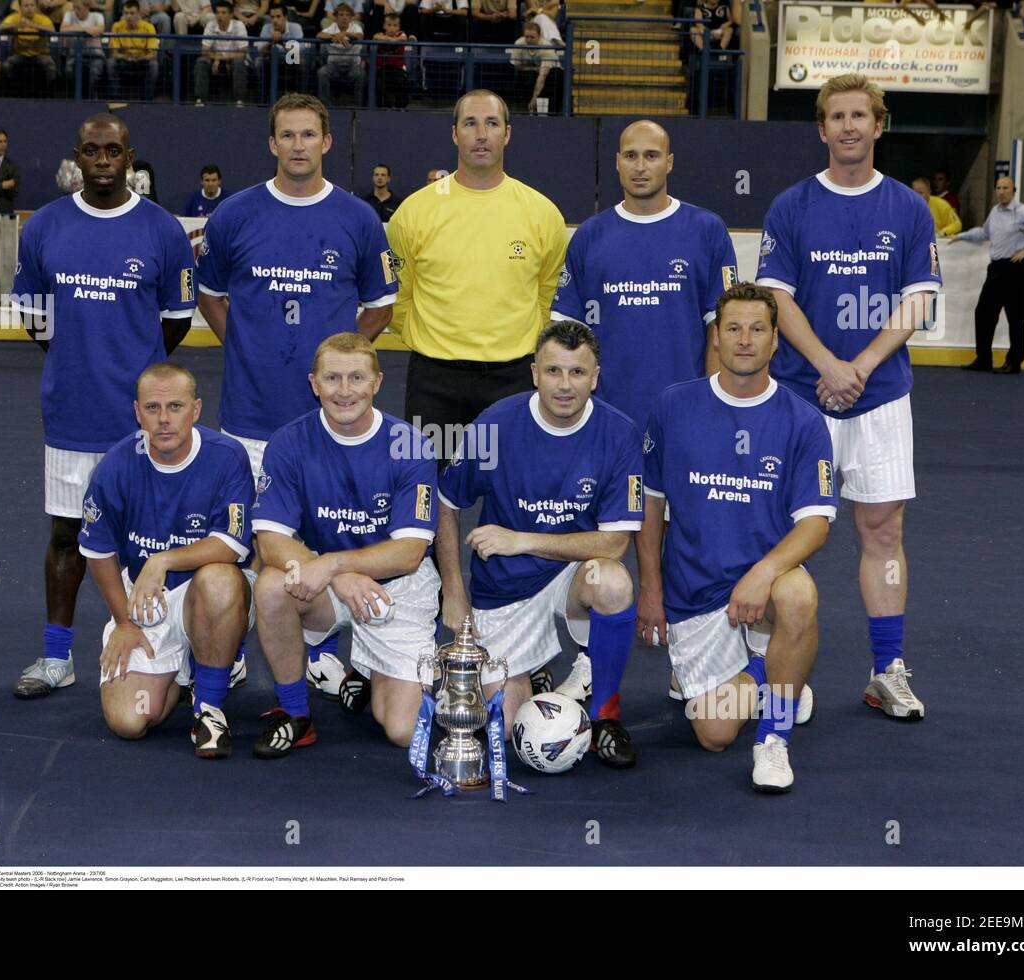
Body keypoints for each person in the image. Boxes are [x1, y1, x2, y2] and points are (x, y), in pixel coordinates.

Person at [197, 93, 397, 700]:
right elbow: (209, 293)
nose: (299, 145)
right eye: (287, 135)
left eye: (309, 135)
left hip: (327, 424)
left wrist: (332, 370)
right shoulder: (234, 216)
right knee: (244, 540)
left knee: (325, 533)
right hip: (250, 417)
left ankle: (322, 653)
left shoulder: (358, 219)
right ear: (272, 143)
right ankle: (226, 647)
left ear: (327, 142)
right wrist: (246, 349)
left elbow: (381, 307)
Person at [755, 73, 940, 720]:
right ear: (822, 129)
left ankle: (887, 670)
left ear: (878, 125)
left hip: (883, 396)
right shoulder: (790, 206)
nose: (850, 126)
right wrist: (828, 365)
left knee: (881, 529)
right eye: (837, 116)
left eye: (861, 115)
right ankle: (768, 670)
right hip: (804, 400)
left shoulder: (910, 210)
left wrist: (858, 365)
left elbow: (917, 301)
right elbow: (778, 299)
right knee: (784, 532)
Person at [10, 113, 198, 700]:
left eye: (112, 150)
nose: (102, 159)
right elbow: (36, 318)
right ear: (77, 156)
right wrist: (76, 359)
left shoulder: (162, 229)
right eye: (91, 150)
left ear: (130, 156)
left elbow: (175, 322)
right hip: (71, 414)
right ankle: (56, 655)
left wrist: (137, 382)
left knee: (162, 542)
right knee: (67, 534)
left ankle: (183, 650)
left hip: (146, 424)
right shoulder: (44, 226)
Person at [548, 119, 736, 700]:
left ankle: (688, 654)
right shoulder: (590, 237)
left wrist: (709, 407)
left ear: (669, 161)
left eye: (651, 155)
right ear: (619, 163)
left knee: (688, 541)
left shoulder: (706, 230)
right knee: (598, 545)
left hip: (682, 421)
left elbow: (722, 331)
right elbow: (567, 335)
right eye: (630, 155)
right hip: (606, 425)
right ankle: (588, 660)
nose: (640, 165)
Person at [638, 283, 835, 792]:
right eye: (733, 329)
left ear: (775, 341)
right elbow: (651, 505)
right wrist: (651, 589)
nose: (745, 340)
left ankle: (774, 737)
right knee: (712, 731)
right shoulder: (673, 407)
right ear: (717, 338)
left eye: (757, 329)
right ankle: (779, 671)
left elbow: (815, 521)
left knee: (798, 593)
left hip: (761, 589)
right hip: (695, 595)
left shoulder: (804, 421)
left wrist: (763, 573)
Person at [437, 321, 644, 766]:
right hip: (504, 589)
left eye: (576, 373)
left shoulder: (620, 433)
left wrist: (521, 540)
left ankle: (605, 713)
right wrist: (453, 589)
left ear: (595, 376)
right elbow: (446, 501)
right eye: (553, 371)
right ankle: (532, 670)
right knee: (506, 729)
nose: (564, 385)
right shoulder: (495, 424)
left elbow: (613, 544)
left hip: (571, 577)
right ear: (534, 373)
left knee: (611, 582)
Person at [251, 333, 440, 755]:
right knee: (271, 586)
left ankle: (377, 671)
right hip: (329, 585)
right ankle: (296, 714)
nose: (344, 390)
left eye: (357, 377)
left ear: (376, 382)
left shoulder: (409, 444)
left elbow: (409, 554)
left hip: (396, 585)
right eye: (332, 378)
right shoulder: (288, 442)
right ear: (313, 383)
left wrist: (336, 567)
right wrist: (337, 574)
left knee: (402, 731)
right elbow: (270, 540)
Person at [79, 363, 256, 756]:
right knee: (130, 721)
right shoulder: (116, 466)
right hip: (146, 601)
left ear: (195, 410)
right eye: (153, 407)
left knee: (219, 579)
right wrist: (124, 622)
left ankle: (208, 707)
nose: (163, 419)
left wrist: (162, 560)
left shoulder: (227, 457)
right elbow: (98, 551)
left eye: (175, 407)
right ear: (137, 412)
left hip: (206, 591)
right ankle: (186, 668)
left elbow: (232, 545)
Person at [388, 89, 567, 458]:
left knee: (512, 492)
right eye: (470, 123)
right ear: (455, 134)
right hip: (435, 381)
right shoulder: (414, 212)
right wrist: (438, 344)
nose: (481, 134)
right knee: (431, 494)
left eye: (492, 123)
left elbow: (547, 294)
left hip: (515, 379)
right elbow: (399, 297)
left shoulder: (542, 213)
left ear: (508, 133)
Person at [948, 175, 1024, 373]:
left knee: (1015, 318)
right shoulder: (995, 212)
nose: (1001, 191)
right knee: (983, 313)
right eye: (998, 187)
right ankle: (983, 359)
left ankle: (1014, 362)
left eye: (1005, 188)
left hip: (1015, 269)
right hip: (996, 269)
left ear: (1013, 190)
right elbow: (984, 233)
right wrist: (960, 236)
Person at [193, 0, 248, 106]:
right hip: (214, 59)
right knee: (201, 61)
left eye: (223, 13)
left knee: (239, 63)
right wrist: (216, 58)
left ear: (231, 14)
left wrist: (220, 58)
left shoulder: (239, 25)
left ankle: (240, 101)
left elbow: (243, 53)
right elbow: (204, 51)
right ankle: (200, 99)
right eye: (217, 12)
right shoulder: (211, 25)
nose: (219, 16)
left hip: (233, 59)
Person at [0, 0, 58, 95]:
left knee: (51, 68)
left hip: (40, 54)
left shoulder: (43, 19)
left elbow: (52, 30)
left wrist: (33, 25)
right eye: (26, 6)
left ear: (36, 7)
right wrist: (16, 25)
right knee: (6, 66)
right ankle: (12, 95)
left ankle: (48, 95)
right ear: (20, 7)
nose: (29, 8)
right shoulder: (15, 18)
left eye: (32, 5)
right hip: (20, 54)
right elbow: (0, 27)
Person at [108, 0, 160, 101]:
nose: (128, 16)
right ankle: (115, 99)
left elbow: (153, 54)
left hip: (141, 62)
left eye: (132, 13)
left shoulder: (148, 27)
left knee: (154, 65)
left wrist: (139, 57)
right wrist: (126, 57)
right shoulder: (117, 26)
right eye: (126, 13)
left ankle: (147, 100)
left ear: (139, 14)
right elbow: (114, 53)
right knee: (111, 63)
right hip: (124, 61)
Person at [507, 19, 561, 114]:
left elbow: (542, 76)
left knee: (554, 79)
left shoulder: (547, 48)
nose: (529, 40)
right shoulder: (519, 43)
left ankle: (551, 113)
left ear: (539, 36)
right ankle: (519, 109)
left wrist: (534, 98)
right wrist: (533, 68)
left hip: (551, 75)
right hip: (533, 72)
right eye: (526, 37)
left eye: (532, 37)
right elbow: (516, 66)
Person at [317, 3, 364, 106]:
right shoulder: (332, 27)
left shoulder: (356, 27)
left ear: (351, 17)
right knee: (322, 73)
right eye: (341, 15)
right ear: (336, 17)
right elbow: (319, 35)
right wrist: (334, 36)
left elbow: (359, 36)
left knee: (361, 74)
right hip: (334, 67)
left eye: (347, 15)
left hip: (352, 67)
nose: (344, 17)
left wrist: (345, 34)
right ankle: (325, 105)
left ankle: (357, 106)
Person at [61, 0, 106, 98]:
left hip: (95, 56)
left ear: (87, 7)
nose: (75, 11)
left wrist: (74, 28)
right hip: (74, 55)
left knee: (94, 73)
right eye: (74, 7)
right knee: (69, 71)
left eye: (78, 8)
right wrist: (85, 29)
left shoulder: (97, 16)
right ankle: (75, 99)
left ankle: (92, 98)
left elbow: (100, 29)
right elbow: (63, 29)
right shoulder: (69, 15)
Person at [370, 10, 411, 109]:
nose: (392, 28)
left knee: (402, 82)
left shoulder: (401, 34)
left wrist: (389, 39)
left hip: (397, 69)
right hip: (382, 69)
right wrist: (392, 40)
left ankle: (400, 107)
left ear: (399, 27)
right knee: (379, 83)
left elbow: (404, 38)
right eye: (389, 25)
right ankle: (385, 107)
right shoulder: (379, 34)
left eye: (395, 25)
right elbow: (375, 37)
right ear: (384, 26)